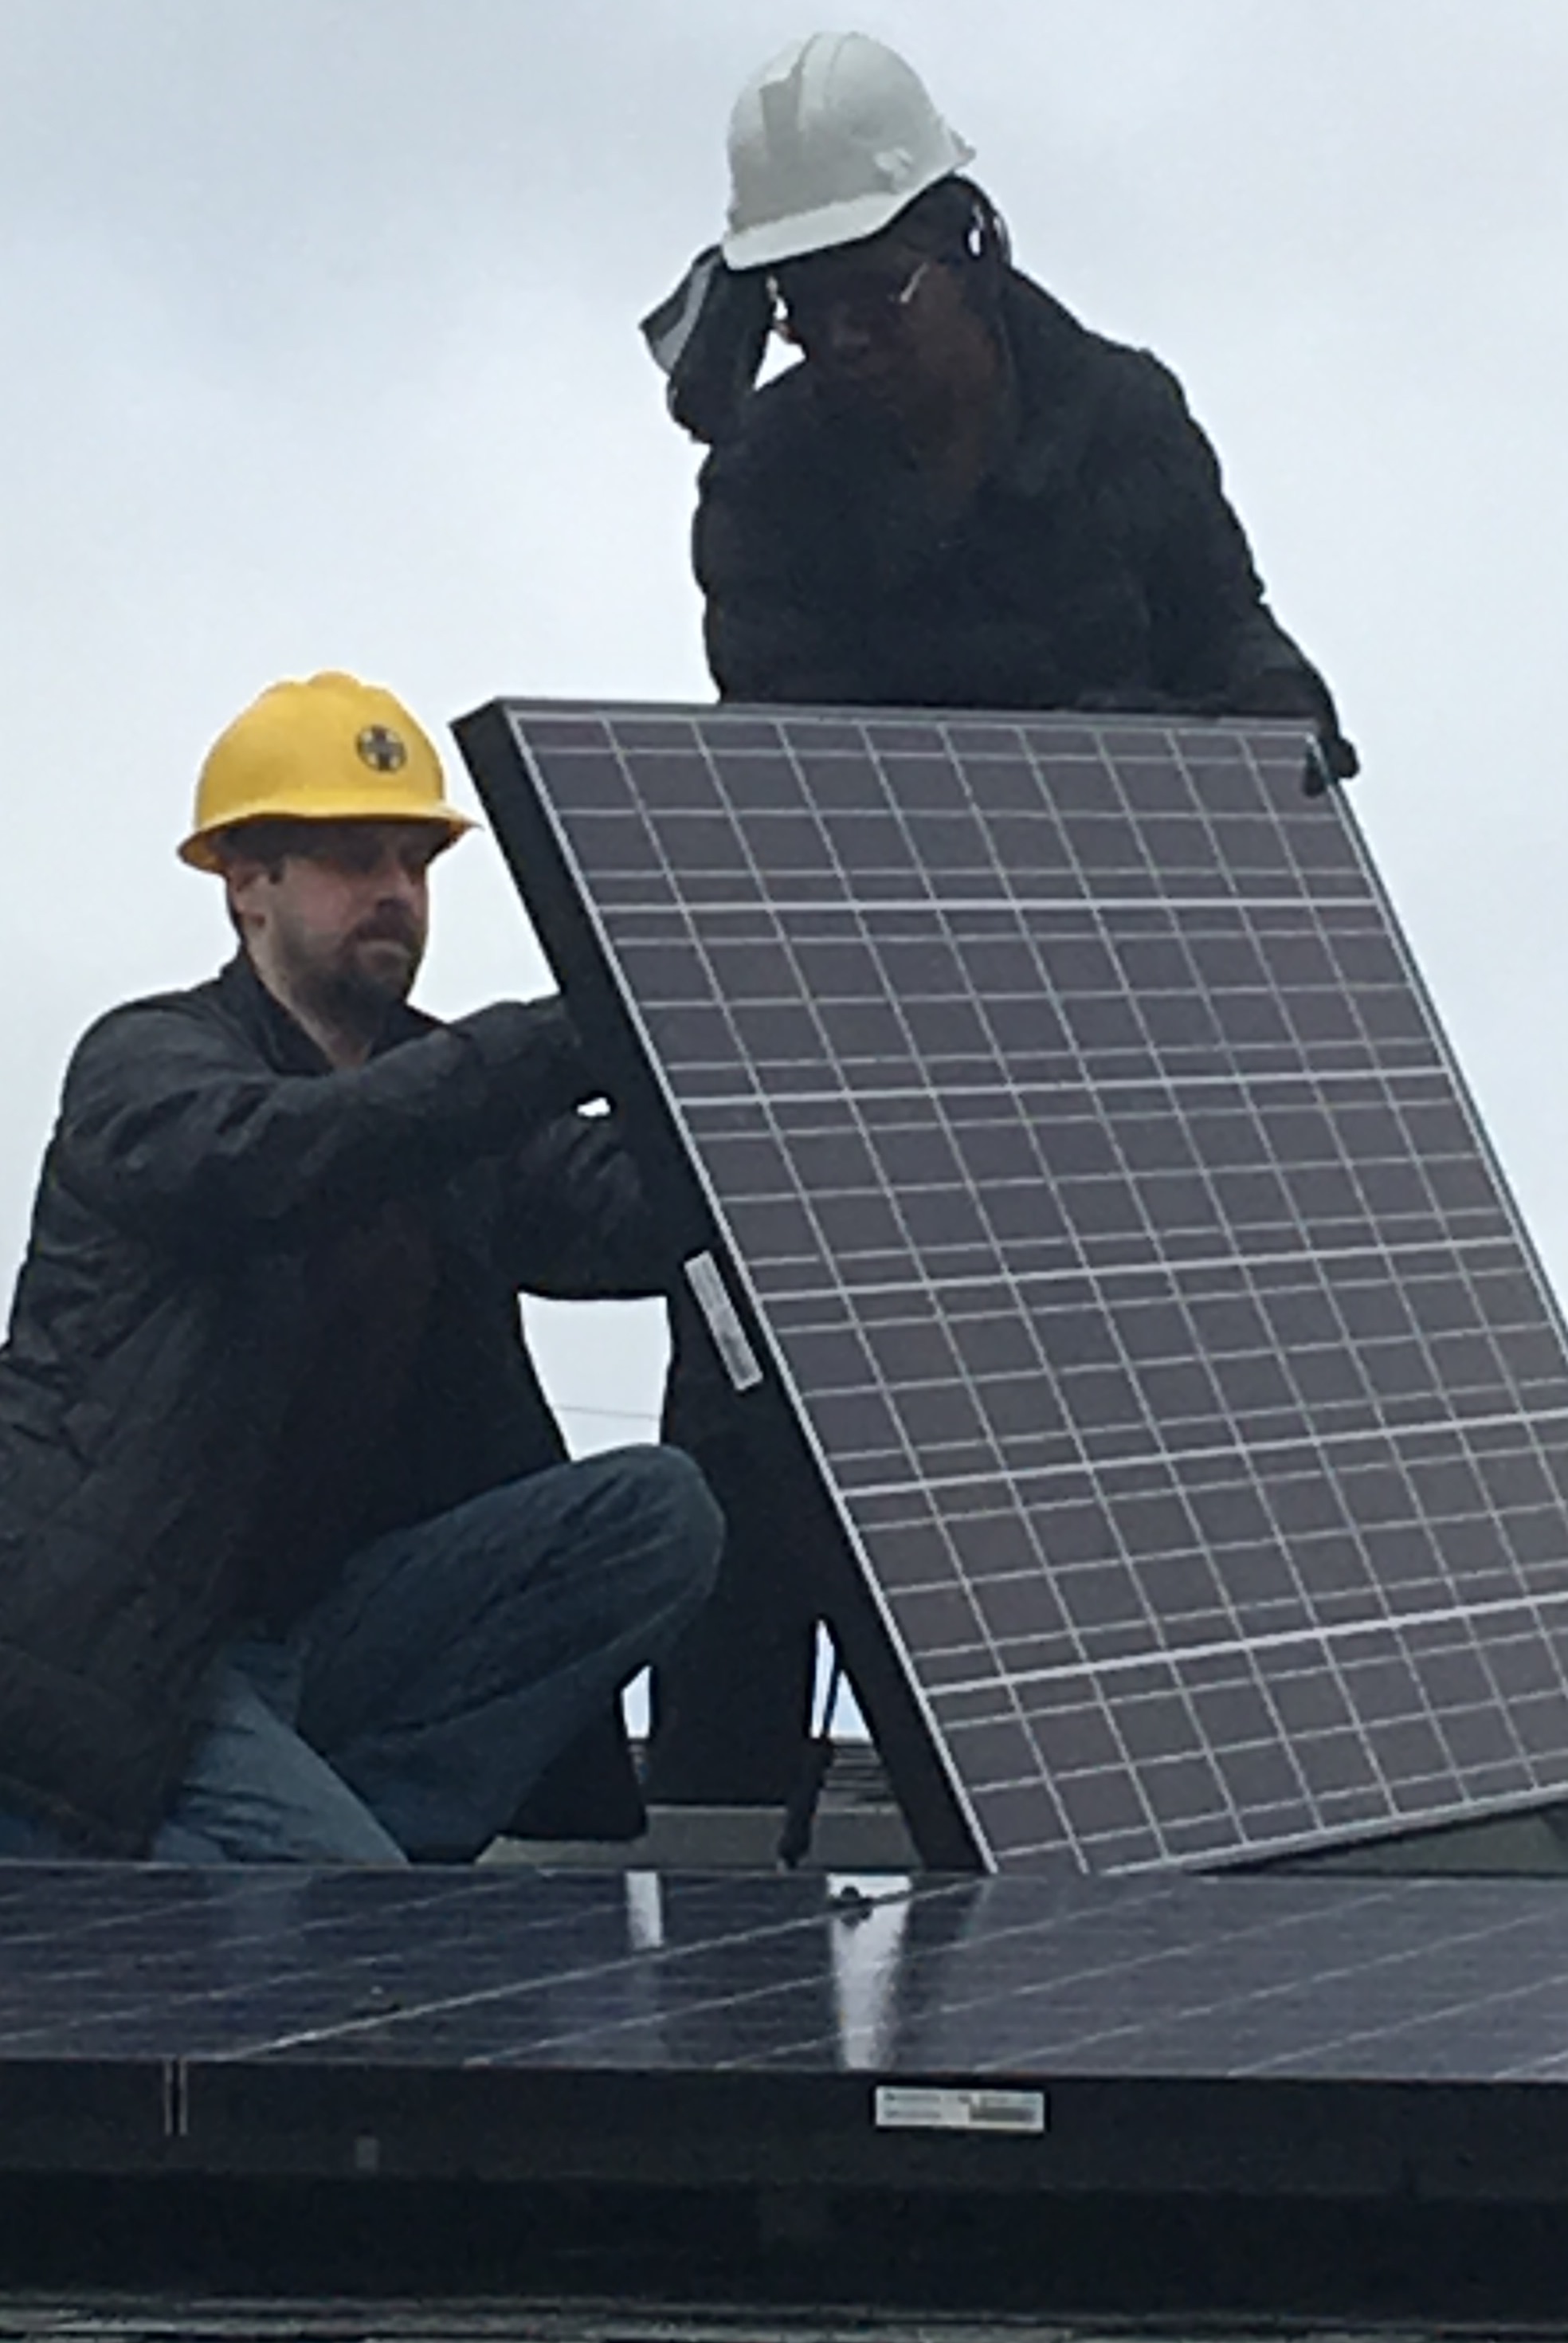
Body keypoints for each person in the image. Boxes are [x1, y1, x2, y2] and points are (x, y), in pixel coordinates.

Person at [640, 30, 1353, 1808]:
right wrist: (1105, 757)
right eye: (806, 309)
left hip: (1121, 1045)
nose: (846, 340)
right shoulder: (767, 483)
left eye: (875, 293)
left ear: (966, 241)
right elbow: (808, 777)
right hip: (867, 1035)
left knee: (1120, 1467)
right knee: (750, 1417)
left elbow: (1233, 636)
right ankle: (718, 1857)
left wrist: (1277, 745)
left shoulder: (1126, 418)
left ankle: (1149, 1827)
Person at [0, 673, 723, 1866]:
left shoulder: (452, 1102)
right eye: (353, 858)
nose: (396, 892)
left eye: (415, 863)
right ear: (247, 883)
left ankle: (347, 1861)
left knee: (654, 1513)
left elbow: (619, 1209)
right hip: (128, 1649)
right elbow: (284, 1158)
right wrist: (578, 1028)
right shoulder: (147, 1065)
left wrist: (788, 1091)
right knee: (344, 1923)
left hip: (323, 1633)